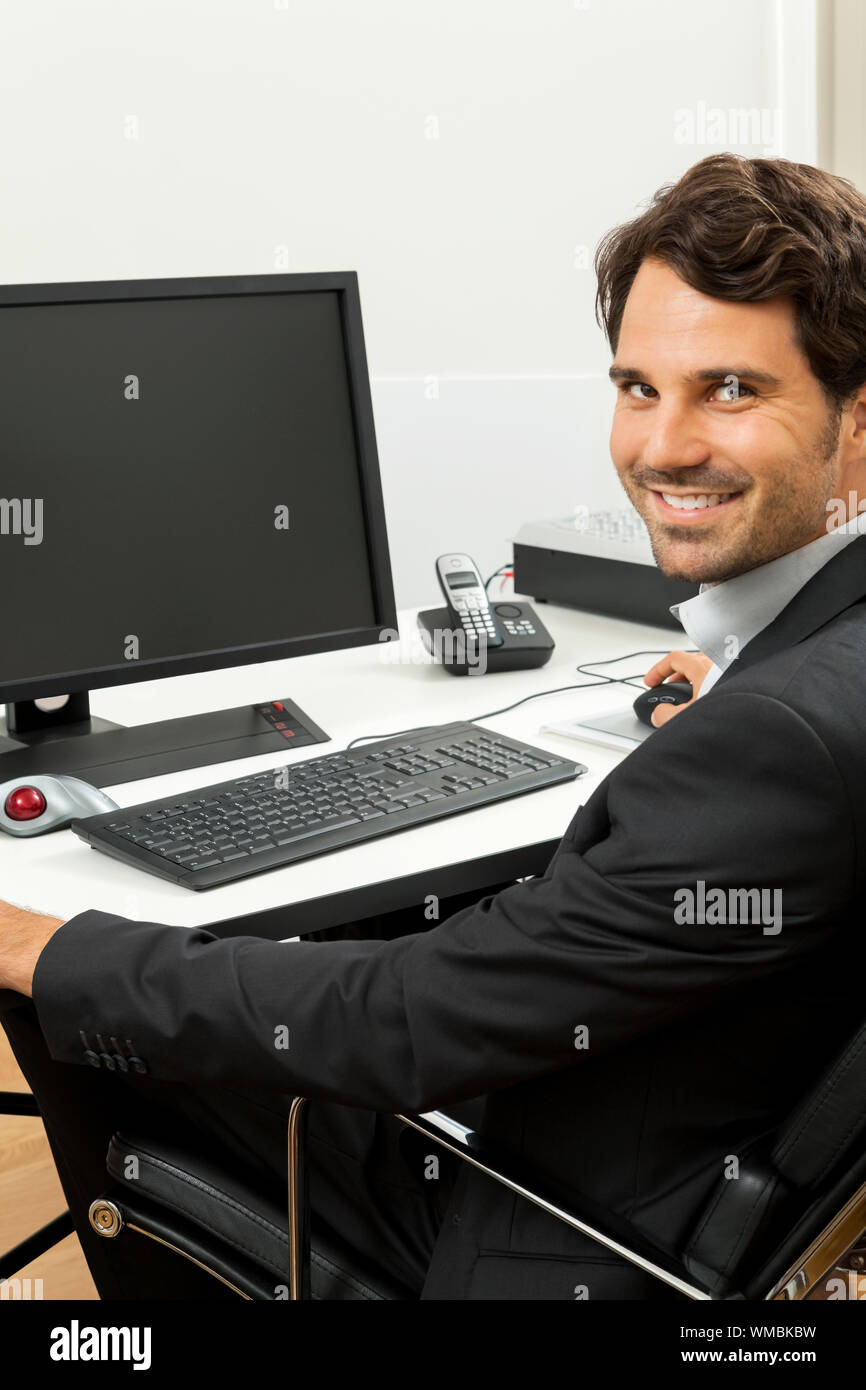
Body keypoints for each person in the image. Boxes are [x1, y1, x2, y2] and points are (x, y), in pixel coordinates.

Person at [3, 151, 866, 1301]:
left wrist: (38, 945)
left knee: (92, 1007)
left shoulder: (775, 745)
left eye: (730, 390)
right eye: (636, 387)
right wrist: (739, 667)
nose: (661, 447)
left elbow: (404, 1027)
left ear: (855, 417)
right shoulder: (805, 683)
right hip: (696, 1149)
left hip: (560, 1226)